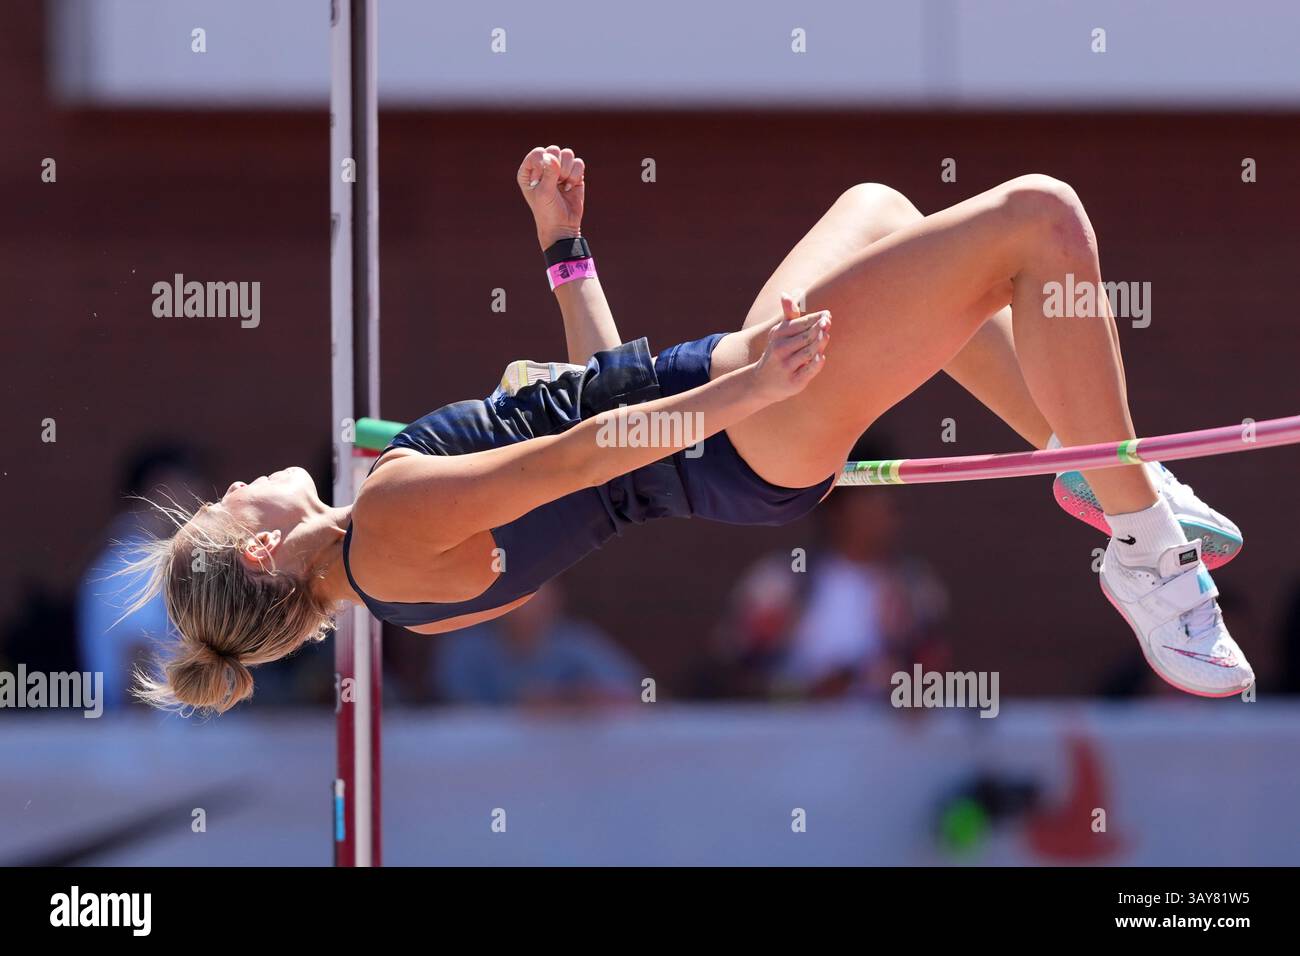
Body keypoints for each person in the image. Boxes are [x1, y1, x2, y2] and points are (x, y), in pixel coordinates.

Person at [121, 145, 1252, 713]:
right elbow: (585, 452)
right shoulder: (391, 524)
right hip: (737, 431)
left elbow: (594, 410)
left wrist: (565, 249)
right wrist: (748, 392)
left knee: (882, 212)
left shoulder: (389, 561)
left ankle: (1116, 479)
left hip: (716, 415)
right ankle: (1144, 549)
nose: (233, 488)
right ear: (263, 548)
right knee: (1039, 223)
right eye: (224, 508)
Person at [715, 437, 949, 700]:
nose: (888, 510)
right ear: (835, 506)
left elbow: (933, 671)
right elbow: (733, 673)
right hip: (790, 734)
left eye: (893, 499)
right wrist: (805, 693)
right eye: (872, 498)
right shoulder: (780, 583)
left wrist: (905, 686)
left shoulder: (914, 587)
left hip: (881, 737)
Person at [435, 582, 639, 708]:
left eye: (540, 607)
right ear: (498, 608)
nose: (530, 618)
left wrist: (571, 699)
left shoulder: (576, 642)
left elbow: (637, 690)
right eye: (520, 607)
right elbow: (452, 706)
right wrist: (518, 704)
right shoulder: (468, 648)